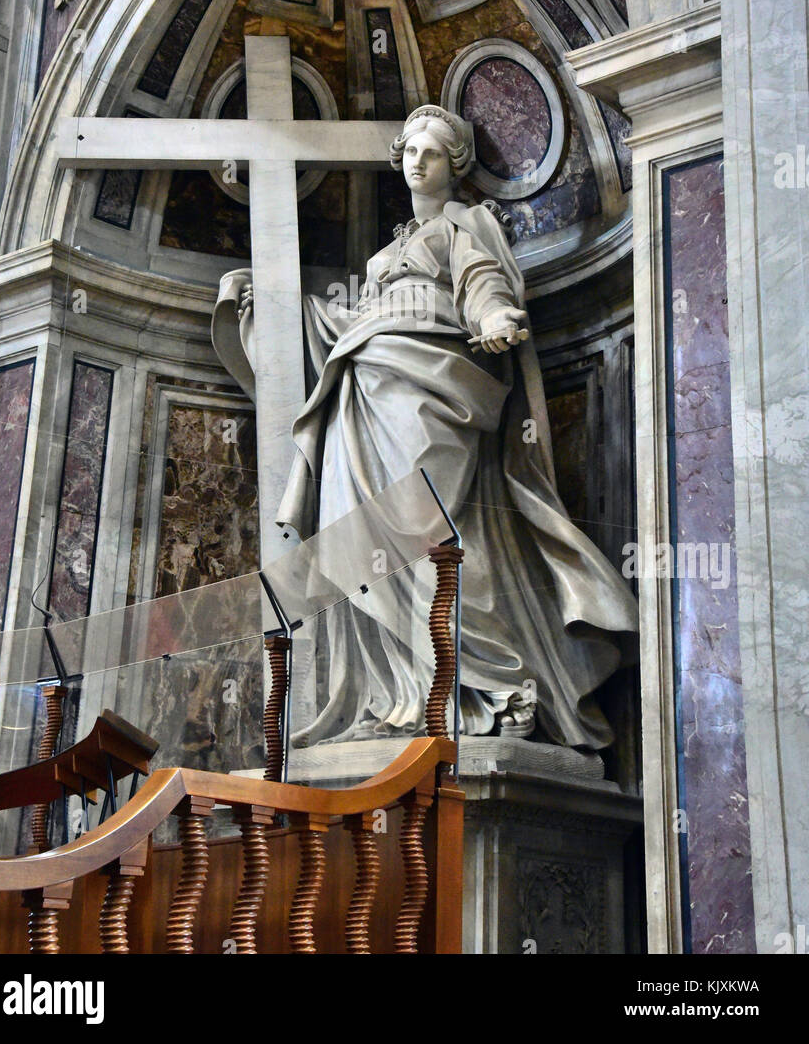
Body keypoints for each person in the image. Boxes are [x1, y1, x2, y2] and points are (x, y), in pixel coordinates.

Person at [213, 104, 637, 749]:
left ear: (453, 164)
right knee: (368, 540)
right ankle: (406, 695)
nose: (418, 162)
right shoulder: (387, 253)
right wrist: (280, 309)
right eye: (411, 150)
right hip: (363, 396)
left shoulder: (466, 223)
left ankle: (501, 683)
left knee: (434, 530)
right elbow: (353, 323)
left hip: (430, 392)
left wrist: (493, 318)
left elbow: (482, 280)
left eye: (432, 152)